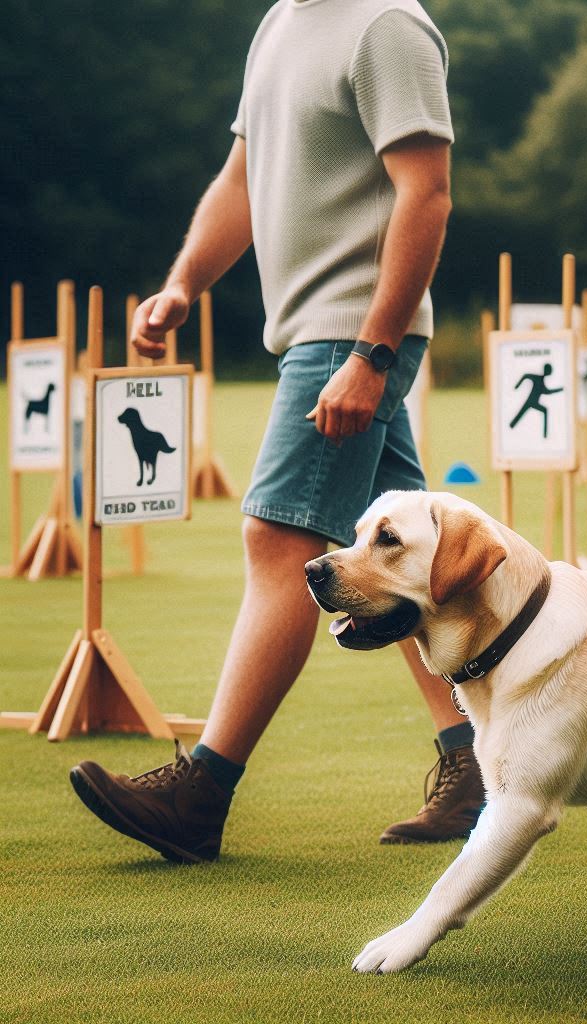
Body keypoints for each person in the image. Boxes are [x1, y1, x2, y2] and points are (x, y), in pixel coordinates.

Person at [68, 0, 484, 862]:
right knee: (409, 555)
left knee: (277, 539)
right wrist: (185, 283)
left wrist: (371, 355)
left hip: (350, 333)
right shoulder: (279, 23)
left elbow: (428, 194)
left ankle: (202, 792)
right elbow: (241, 179)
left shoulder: (386, 27)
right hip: (318, 335)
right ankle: (479, 759)